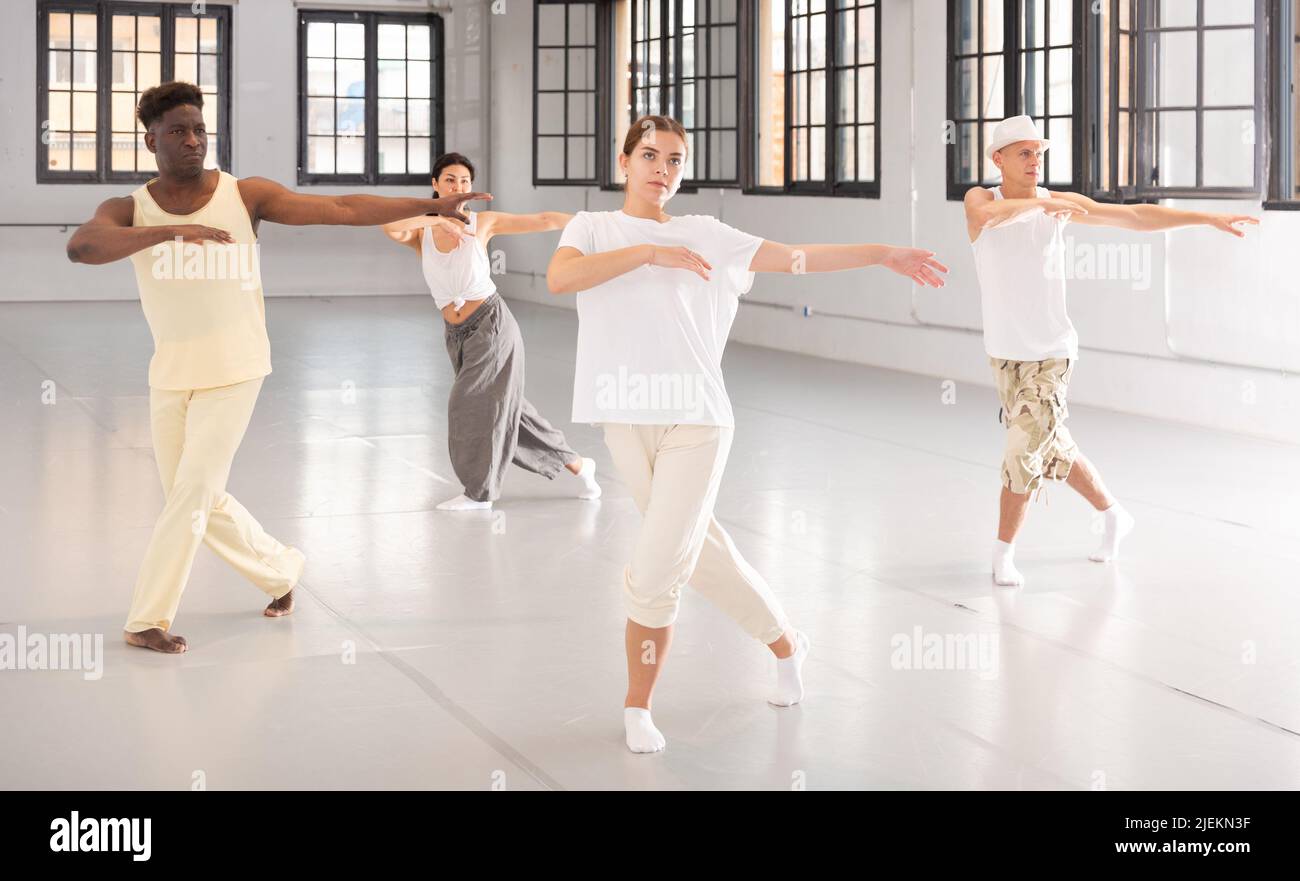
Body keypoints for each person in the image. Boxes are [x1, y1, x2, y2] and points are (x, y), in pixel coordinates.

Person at [547, 115, 950, 753]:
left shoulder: (707, 233)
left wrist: (881, 253)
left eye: (676, 160)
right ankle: (787, 642)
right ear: (623, 160)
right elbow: (562, 277)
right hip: (623, 417)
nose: (662, 169)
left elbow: (796, 259)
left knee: (656, 570)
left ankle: (636, 705)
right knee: (701, 555)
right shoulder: (592, 228)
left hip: (698, 420)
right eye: (650, 155)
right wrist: (648, 251)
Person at [65, 81, 490, 653]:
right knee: (196, 499)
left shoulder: (245, 196)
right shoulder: (129, 207)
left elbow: (338, 207)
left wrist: (429, 205)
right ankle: (281, 570)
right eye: (178, 132)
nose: (193, 141)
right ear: (151, 141)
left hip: (236, 369)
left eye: (199, 129)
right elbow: (82, 248)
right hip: (169, 374)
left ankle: (147, 618)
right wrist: (172, 231)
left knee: (191, 493)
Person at [964, 114, 1259, 587]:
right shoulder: (981, 198)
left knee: (1023, 450)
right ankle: (1114, 514)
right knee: (1054, 448)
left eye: (1039, 152)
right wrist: (1040, 208)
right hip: (1004, 354)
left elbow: (1136, 216)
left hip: (1052, 352)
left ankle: (1003, 554)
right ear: (998, 159)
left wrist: (1205, 217)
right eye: (1024, 152)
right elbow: (984, 217)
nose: (1035, 160)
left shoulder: (1059, 203)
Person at [381, 152, 600, 511]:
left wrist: (595, 224)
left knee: (469, 403)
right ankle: (577, 464)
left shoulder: (482, 224)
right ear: (435, 185)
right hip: (456, 334)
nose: (459, 187)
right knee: (507, 408)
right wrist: (435, 219)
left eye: (465, 181)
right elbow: (388, 224)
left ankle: (479, 494)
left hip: (491, 324)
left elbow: (544, 219)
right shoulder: (420, 231)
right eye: (450, 180)